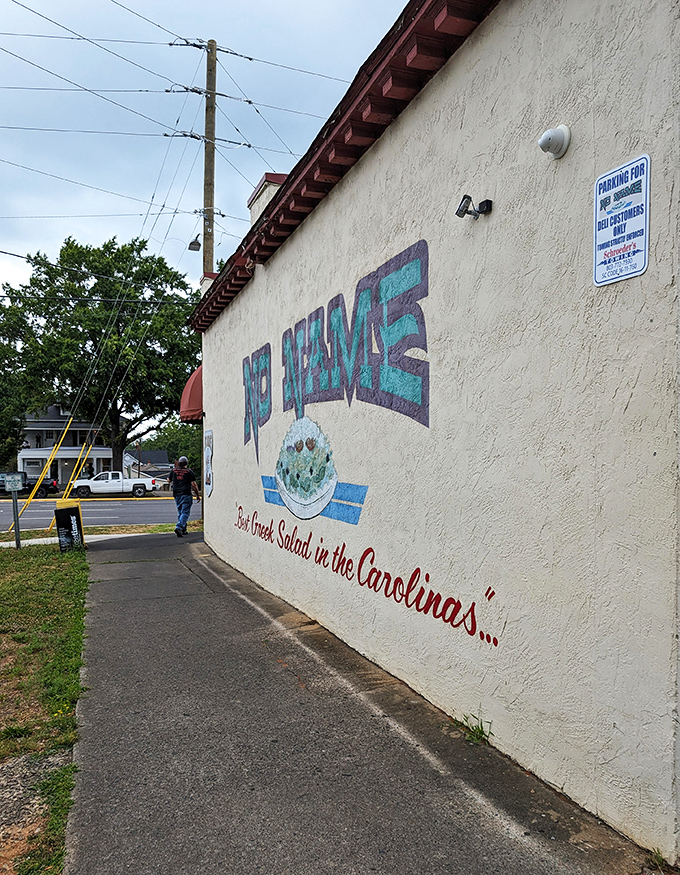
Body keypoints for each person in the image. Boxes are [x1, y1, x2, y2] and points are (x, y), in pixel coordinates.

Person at [167, 456, 200, 537]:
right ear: (186, 463)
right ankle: (179, 527)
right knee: (185, 512)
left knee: (180, 512)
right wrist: (197, 495)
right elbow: (193, 485)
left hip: (177, 494)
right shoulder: (189, 472)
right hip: (186, 493)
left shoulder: (173, 470)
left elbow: (168, 480)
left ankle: (183, 530)